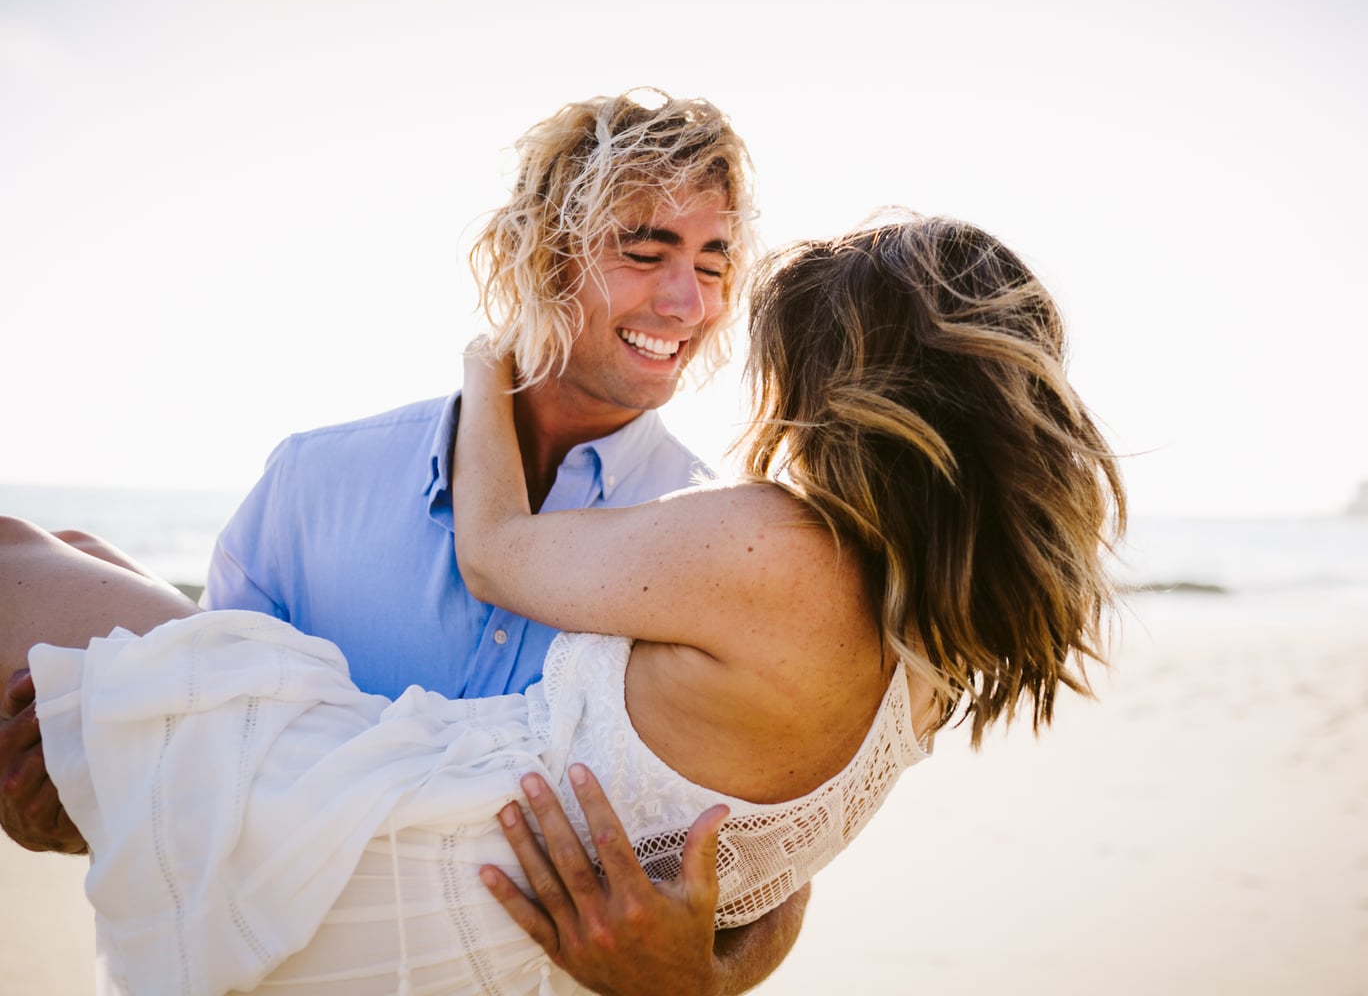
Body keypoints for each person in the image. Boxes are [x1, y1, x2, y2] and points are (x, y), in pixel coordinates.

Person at [0, 214, 1124, 996]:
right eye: (646, 252)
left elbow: (495, 554)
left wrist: (491, 355)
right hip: (428, 896)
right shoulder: (929, 643)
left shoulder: (764, 541)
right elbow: (760, 860)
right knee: (82, 566)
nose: (691, 307)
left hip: (378, 871)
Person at [0, 88, 808, 995]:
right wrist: (81, 796)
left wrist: (697, 979)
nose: (683, 300)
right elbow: (200, 753)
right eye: (645, 248)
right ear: (544, 253)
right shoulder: (313, 484)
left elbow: (774, 867)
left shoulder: (723, 539)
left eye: (712, 261)